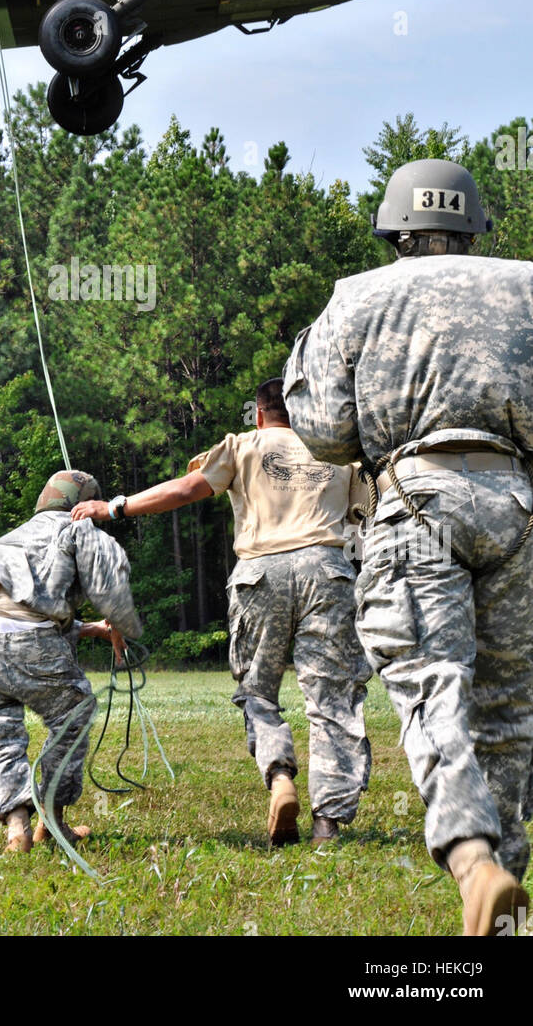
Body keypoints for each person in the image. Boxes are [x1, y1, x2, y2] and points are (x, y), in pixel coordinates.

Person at [283, 157, 533, 936]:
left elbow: (320, 433)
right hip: (519, 505)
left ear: (395, 230)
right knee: (509, 716)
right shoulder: (528, 284)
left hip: (414, 500)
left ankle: (470, 859)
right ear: (473, 226)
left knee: (432, 688)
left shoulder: (356, 296)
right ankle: (503, 917)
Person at [73, 379, 371, 846]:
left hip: (261, 573)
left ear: (258, 414)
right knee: (333, 698)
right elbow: (368, 514)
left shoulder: (241, 446)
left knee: (257, 691)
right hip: (328, 571)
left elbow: (187, 489)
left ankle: (280, 779)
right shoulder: (338, 453)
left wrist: (114, 508)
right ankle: (327, 824)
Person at [0, 469, 141, 853]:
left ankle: (17, 827)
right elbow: (109, 583)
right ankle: (52, 822)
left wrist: (92, 629)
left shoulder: (0, 543)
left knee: (3, 736)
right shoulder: (78, 528)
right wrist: (123, 624)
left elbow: (16, 613)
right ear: (85, 506)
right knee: (74, 715)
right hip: (31, 644)